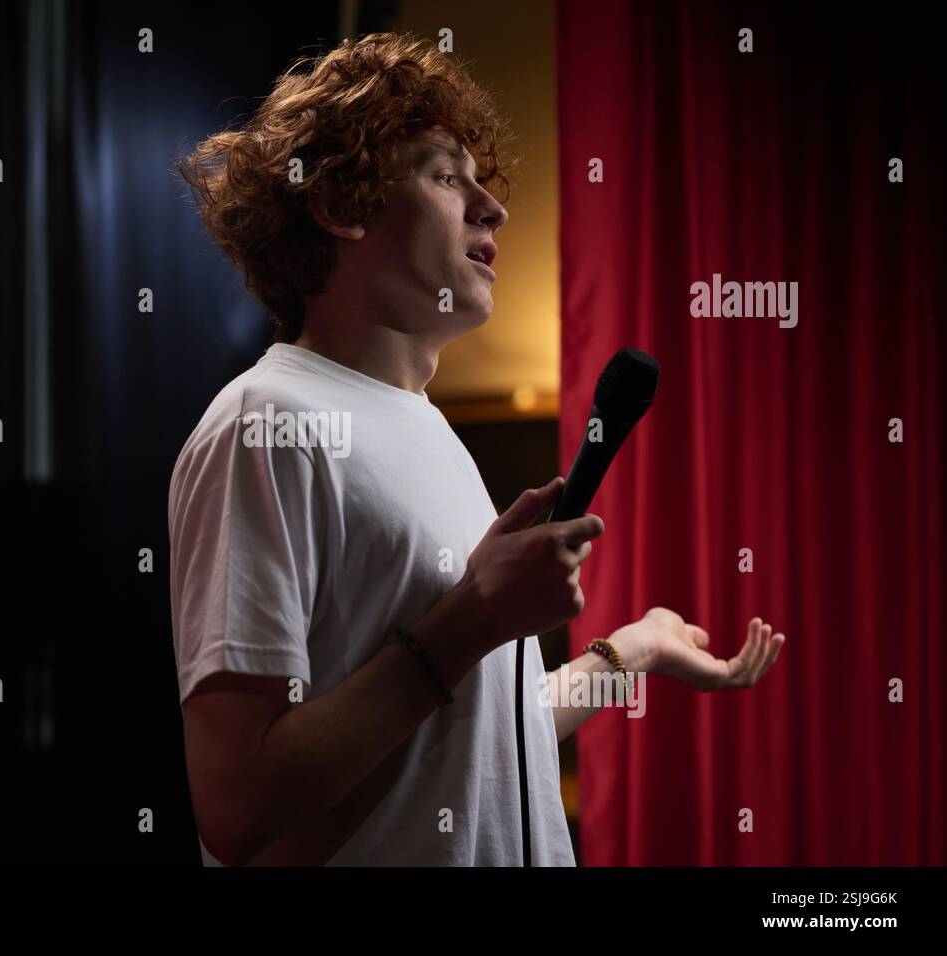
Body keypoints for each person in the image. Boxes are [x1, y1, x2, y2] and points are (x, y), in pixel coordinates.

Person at [169, 31, 785, 867]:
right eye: (447, 177)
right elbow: (237, 807)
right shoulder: (265, 424)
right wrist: (476, 616)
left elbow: (474, 730)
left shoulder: (426, 430)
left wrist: (629, 650)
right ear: (340, 207)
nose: (491, 207)